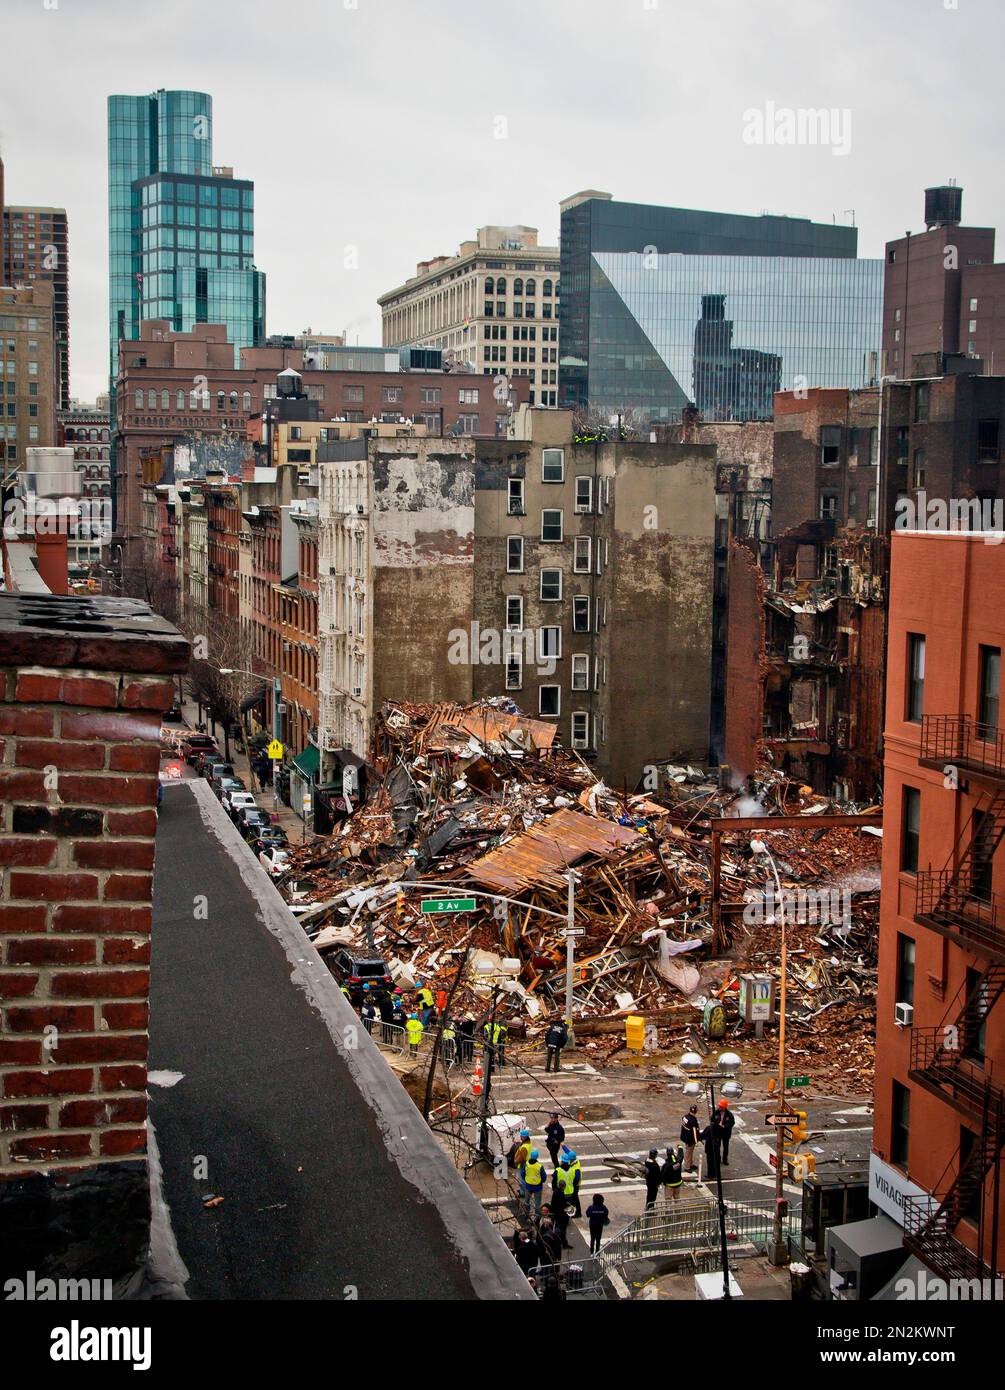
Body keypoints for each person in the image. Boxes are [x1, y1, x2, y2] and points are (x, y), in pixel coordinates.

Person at [551, 1160, 576, 1249]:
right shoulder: (561, 1194)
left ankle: (561, 1242)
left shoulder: (555, 1192)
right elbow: (563, 1205)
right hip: (561, 1215)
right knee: (562, 1230)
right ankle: (563, 1243)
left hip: (556, 1213)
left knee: (558, 1229)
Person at [521, 1148, 546, 1219]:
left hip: (528, 1186)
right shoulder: (539, 1166)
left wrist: (526, 1180)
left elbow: (523, 1174)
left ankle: (526, 1214)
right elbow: (544, 1177)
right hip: (537, 1187)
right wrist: (541, 1181)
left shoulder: (526, 1164)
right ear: (537, 1157)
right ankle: (537, 1217)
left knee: (526, 1201)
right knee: (537, 1203)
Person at [700, 1110, 723, 1180]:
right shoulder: (720, 1128)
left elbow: (702, 1136)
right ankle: (716, 1173)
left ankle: (711, 1174)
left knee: (710, 1161)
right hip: (717, 1146)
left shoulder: (709, 1128)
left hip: (710, 1147)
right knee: (716, 1159)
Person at [681, 1103, 701, 1173]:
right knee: (688, 1152)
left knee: (690, 1152)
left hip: (685, 1137)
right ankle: (687, 1166)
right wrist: (696, 1141)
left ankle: (690, 1163)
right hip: (690, 1140)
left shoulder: (685, 1117)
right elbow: (695, 1133)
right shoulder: (693, 1120)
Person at [563, 1148, 583, 1218]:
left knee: (575, 1198)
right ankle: (573, 1210)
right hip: (573, 1184)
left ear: (571, 1159)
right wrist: (563, 1146)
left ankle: (578, 1213)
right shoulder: (575, 1159)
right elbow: (569, 1151)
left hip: (575, 1185)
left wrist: (572, 1184)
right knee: (573, 1198)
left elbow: (577, 1179)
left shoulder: (575, 1168)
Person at [718, 1098, 736, 1166]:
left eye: (721, 1106)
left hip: (726, 1133)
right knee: (718, 1147)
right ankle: (718, 1159)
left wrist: (724, 1126)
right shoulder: (716, 1112)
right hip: (718, 1133)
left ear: (724, 1107)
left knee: (725, 1147)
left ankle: (725, 1159)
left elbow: (732, 1123)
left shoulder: (729, 1114)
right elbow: (712, 1120)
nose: (719, 1107)